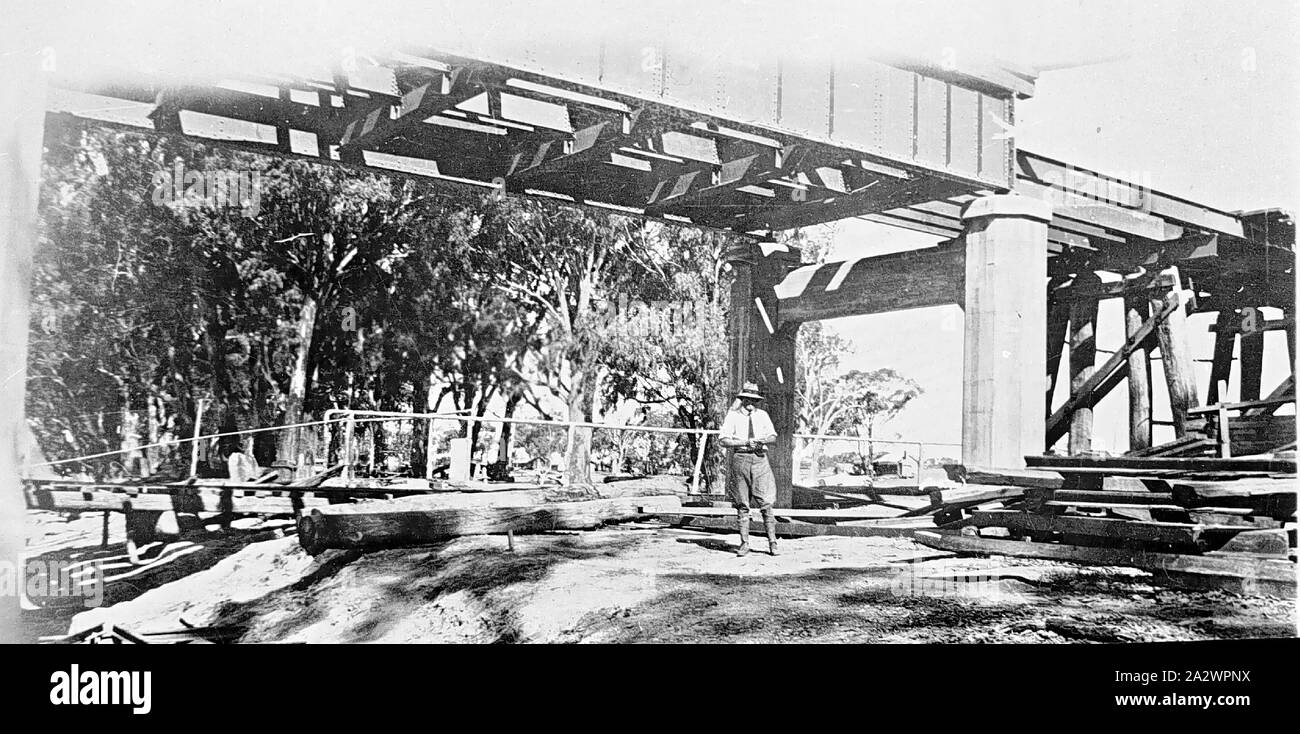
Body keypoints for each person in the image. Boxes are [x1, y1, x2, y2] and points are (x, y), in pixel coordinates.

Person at [718, 381, 779, 557]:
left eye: (755, 400)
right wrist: (744, 442)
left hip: (760, 459)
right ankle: (744, 543)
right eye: (748, 399)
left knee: (766, 503)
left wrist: (762, 441)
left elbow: (773, 436)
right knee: (743, 504)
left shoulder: (763, 416)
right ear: (742, 399)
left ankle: (772, 543)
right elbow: (723, 440)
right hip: (741, 458)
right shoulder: (733, 416)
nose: (751, 403)